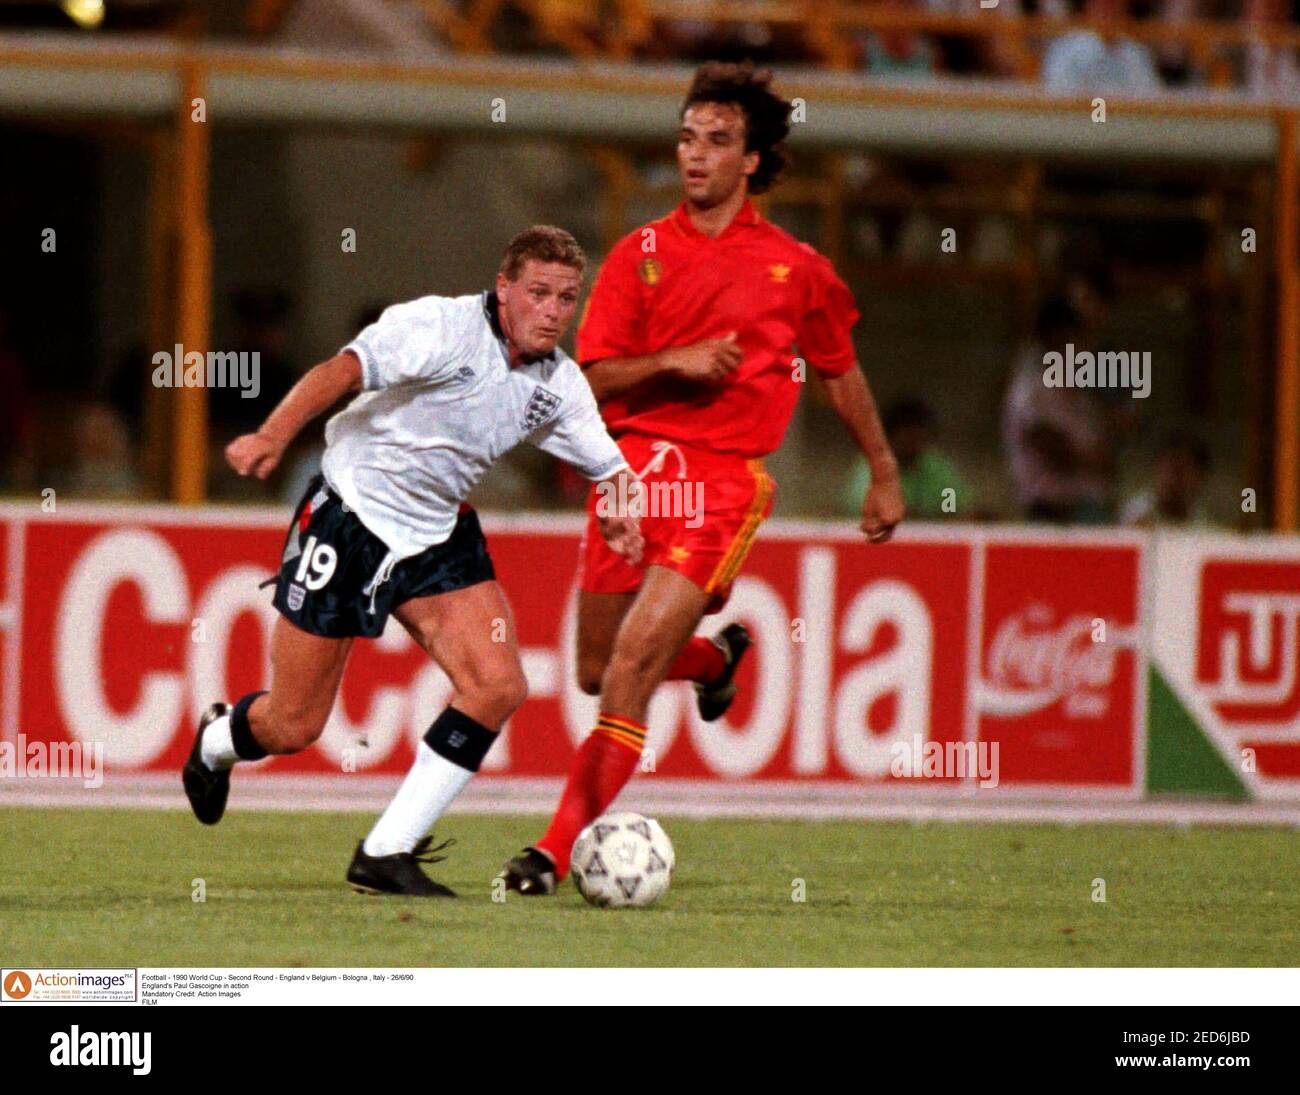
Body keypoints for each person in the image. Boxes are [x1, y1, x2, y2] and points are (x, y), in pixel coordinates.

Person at [499, 62, 905, 896]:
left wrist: (885, 470)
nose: (696, 155)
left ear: (752, 160)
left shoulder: (797, 269)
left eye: (718, 141)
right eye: (688, 137)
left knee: (628, 670)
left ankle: (549, 849)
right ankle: (714, 663)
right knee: (594, 667)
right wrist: (674, 362)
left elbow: (838, 369)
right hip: (628, 478)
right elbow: (585, 379)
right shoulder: (636, 255)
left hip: (719, 485)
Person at [181, 226, 643, 897]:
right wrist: (273, 434)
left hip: (436, 535)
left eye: (567, 297)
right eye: (538, 292)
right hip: (349, 518)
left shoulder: (559, 384)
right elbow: (341, 370)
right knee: (293, 724)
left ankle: (385, 851)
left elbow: (611, 465)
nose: (552, 309)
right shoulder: (439, 327)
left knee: (498, 683)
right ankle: (217, 741)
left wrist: (620, 508)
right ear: (504, 287)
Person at [842, 398, 971, 520]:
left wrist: (947, 512)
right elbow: (864, 509)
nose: (914, 441)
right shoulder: (872, 464)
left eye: (920, 434)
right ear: (890, 435)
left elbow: (953, 505)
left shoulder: (936, 466)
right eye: (908, 434)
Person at [1120, 431, 1213, 526]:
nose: (1174, 479)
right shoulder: (1138, 513)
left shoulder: (1201, 521)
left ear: (1200, 477)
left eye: (1182, 471)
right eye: (1170, 469)